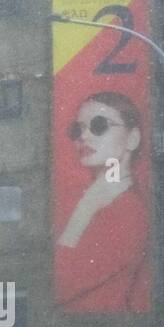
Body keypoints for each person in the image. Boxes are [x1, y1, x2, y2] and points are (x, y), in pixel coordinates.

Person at [55, 91, 150, 313]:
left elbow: (60, 283)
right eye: (78, 129)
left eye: (99, 125)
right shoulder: (75, 198)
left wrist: (85, 208)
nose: (84, 137)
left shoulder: (131, 211)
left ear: (133, 138)